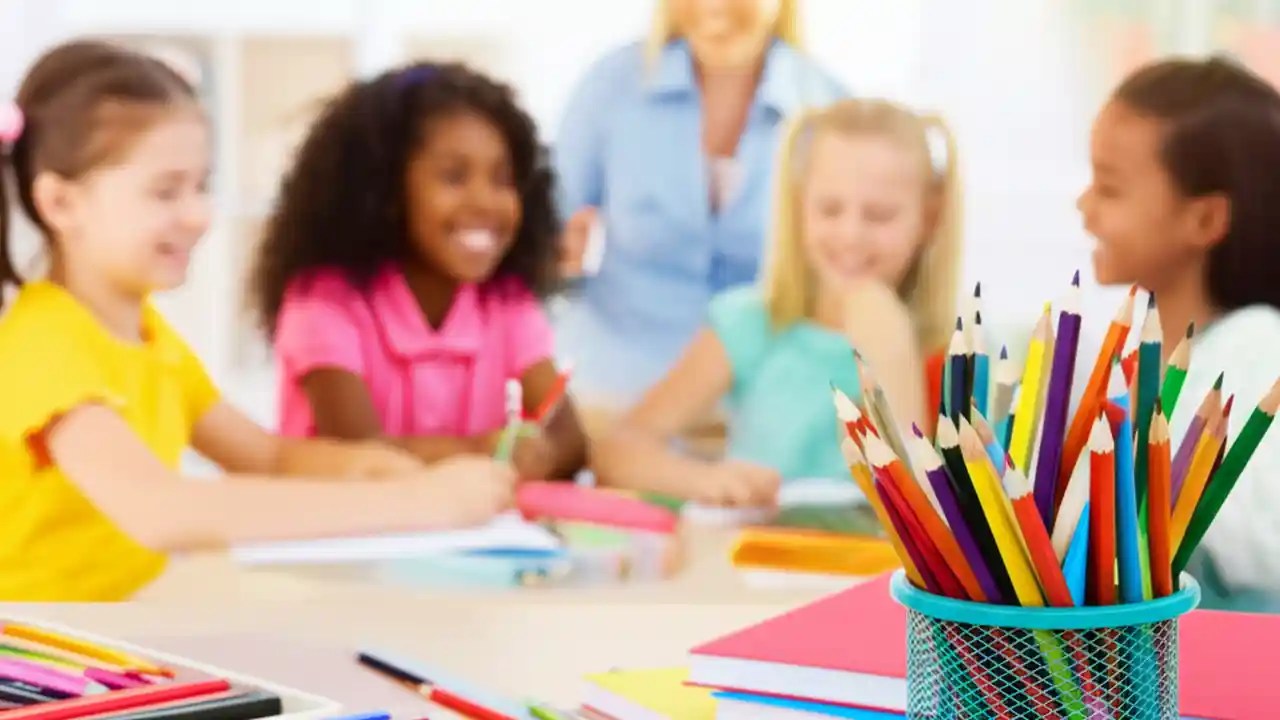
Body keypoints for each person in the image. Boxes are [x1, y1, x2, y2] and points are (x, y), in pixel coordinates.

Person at [0, 40, 515, 601]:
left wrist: (376, 469)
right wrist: (419, 504)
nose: (199, 215)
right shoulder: (45, 346)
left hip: (118, 644)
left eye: (200, 186)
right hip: (38, 668)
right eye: (165, 191)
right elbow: (157, 508)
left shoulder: (148, 338)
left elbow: (266, 455)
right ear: (60, 204)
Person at [594, 99, 962, 505]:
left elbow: (920, 509)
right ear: (798, 205)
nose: (850, 234)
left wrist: (892, 355)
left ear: (929, 218)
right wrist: (704, 480)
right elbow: (618, 450)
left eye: (878, 215)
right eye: (829, 209)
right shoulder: (751, 324)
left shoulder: (957, 351)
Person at [251, 62, 587, 482]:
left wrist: (542, 451)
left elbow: (570, 441)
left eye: (503, 179)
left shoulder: (507, 303)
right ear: (385, 190)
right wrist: (484, 451)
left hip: (467, 536)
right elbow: (359, 454)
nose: (486, 201)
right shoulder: (324, 303)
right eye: (454, 177)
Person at [553, 0, 847, 429]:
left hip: (763, 414)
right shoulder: (612, 87)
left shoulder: (826, 108)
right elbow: (546, 237)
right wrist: (557, 258)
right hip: (612, 399)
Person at [1078, 56, 1280, 610]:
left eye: (1110, 188)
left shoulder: (1256, 348)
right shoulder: (1131, 349)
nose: (1084, 207)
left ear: (1205, 221)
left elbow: (1261, 545)